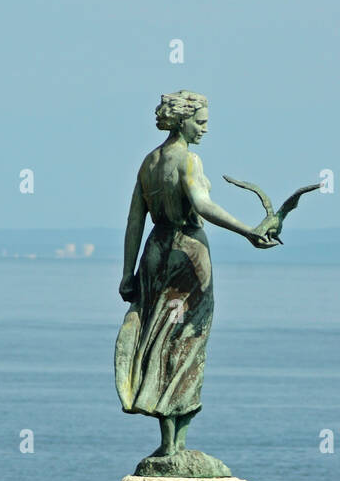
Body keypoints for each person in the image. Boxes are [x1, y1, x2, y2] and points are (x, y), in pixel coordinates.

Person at [115, 90, 277, 457]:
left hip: (154, 255)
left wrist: (128, 272)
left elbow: (134, 221)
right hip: (187, 254)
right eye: (200, 122)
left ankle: (167, 443)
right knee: (189, 340)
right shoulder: (189, 160)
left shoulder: (149, 162)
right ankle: (178, 444)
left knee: (159, 340)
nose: (204, 128)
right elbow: (202, 205)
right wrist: (249, 231)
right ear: (182, 120)